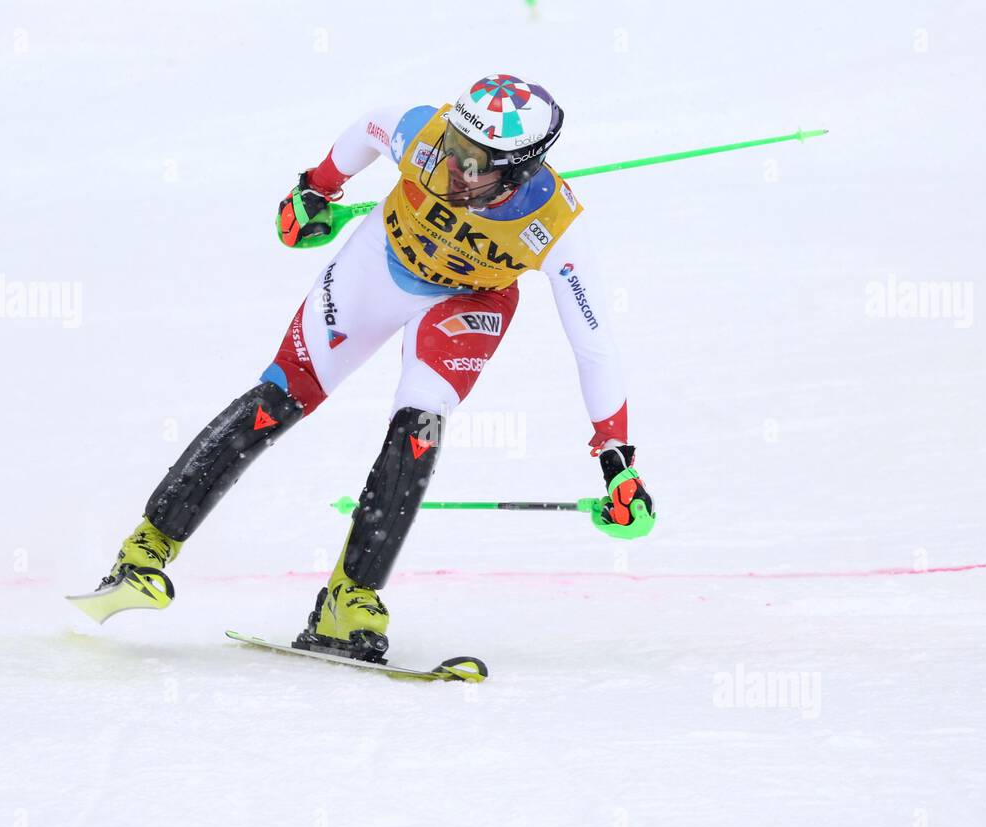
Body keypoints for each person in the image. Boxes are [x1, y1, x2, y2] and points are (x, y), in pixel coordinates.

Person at [75, 74, 655, 662]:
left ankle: (350, 599)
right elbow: (369, 128)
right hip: (380, 264)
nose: (454, 168)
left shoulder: (557, 227)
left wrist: (616, 460)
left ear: (518, 170)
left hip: (468, 301)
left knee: (421, 426)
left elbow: (594, 345)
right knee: (280, 396)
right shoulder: (423, 133)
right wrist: (316, 190)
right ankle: (144, 551)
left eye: (476, 162)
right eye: (454, 146)